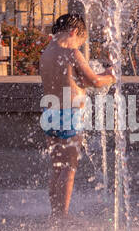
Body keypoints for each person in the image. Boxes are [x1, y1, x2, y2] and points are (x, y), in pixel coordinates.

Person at [38, 12, 115, 217]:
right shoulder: (72, 53)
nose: (80, 45)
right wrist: (111, 77)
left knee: (56, 166)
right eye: (80, 40)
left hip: (49, 113)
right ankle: (63, 215)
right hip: (70, 115)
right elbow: (95, 82)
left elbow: (76, 81)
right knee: (69, 169)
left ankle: (55, 213)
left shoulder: (46, 53)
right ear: (73, 32)